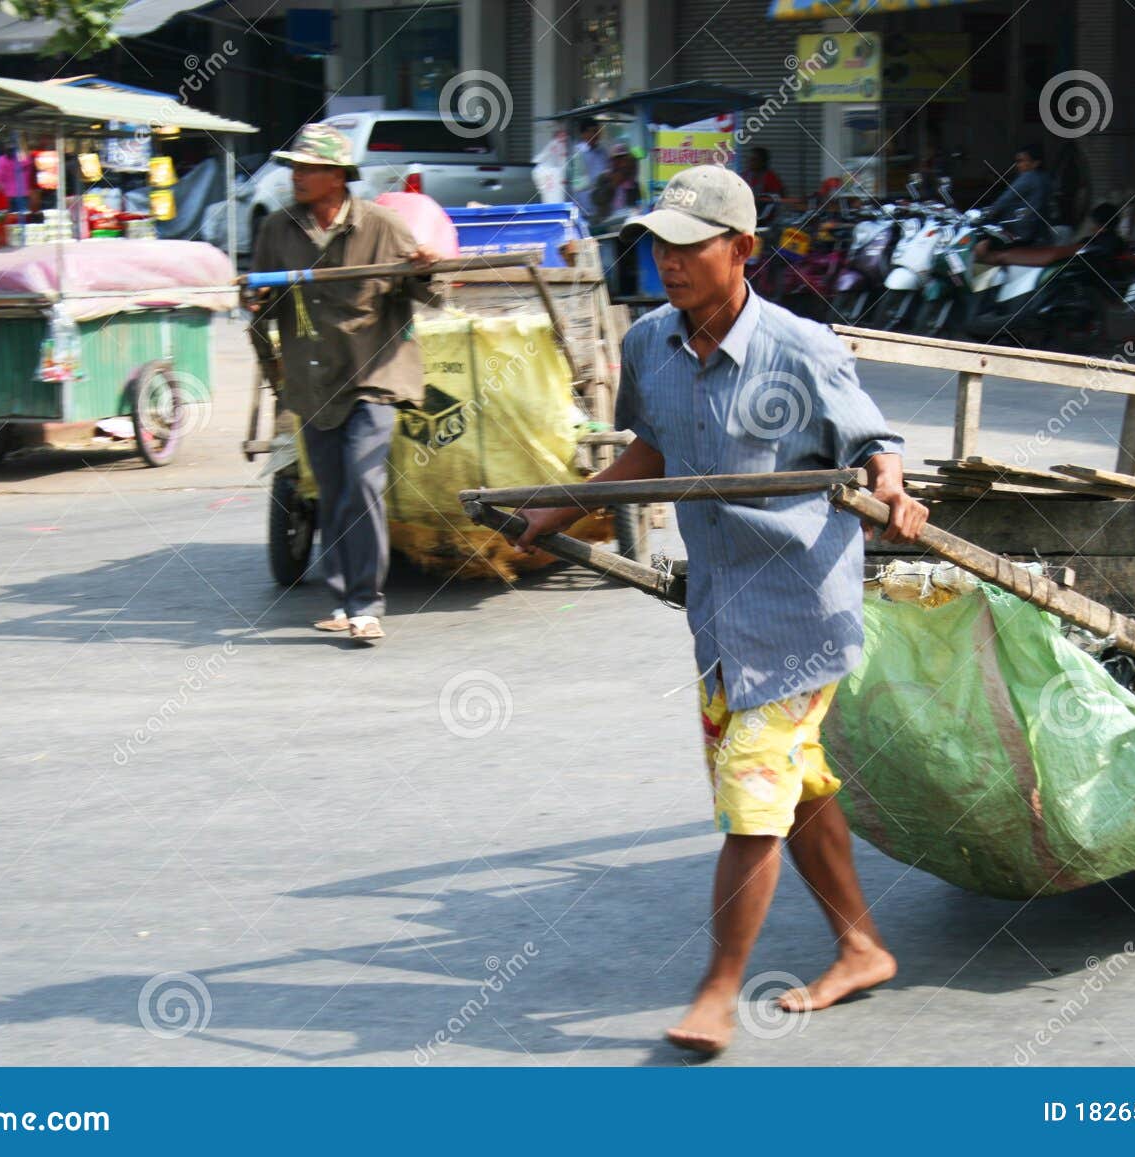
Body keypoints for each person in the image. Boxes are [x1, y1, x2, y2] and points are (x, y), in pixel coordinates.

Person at [513, 165, 929, 1055]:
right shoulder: (649, 344)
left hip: (799, 612)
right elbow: (651, 447)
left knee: (751, 796)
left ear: (741, 250)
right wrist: (555, 507)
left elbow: (874, 442)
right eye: (659, 245)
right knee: (796, 788)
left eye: (689, 246)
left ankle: (716, 990)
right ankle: (862, 946)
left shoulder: (801, 347)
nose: (669, 261)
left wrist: (894, 489)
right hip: (719, 615)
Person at [249, 124, 441, 643]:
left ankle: (365, 602)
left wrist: (423, 268)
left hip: (374, 374)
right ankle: (340, 599)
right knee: (331, 491)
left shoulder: (381, 225)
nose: (298, 177)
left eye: (308, 168)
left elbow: (430, 292)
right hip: (314, 380)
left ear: (337, 176)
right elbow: (263, 298)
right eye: (295, 167)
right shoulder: (278, 231)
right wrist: (254, 301)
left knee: (361, 479)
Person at [976, 142, 1053, 254]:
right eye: (1017, 162)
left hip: (1023, 231)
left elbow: (1005, 199)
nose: (1018, 165)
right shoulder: (1045, 178)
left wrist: (986, 214)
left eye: (1022, 161)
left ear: (1035, 163)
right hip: (1041, 232)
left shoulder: (1028, 177)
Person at [589, 143, 640, 228]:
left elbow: (636, 205)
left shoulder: (632, 183)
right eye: (617, 159)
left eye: (624, 159)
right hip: (606, 223)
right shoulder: (603, 178)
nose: (621, 163)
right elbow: (597, 200)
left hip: (626, 223)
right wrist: (613, 184)